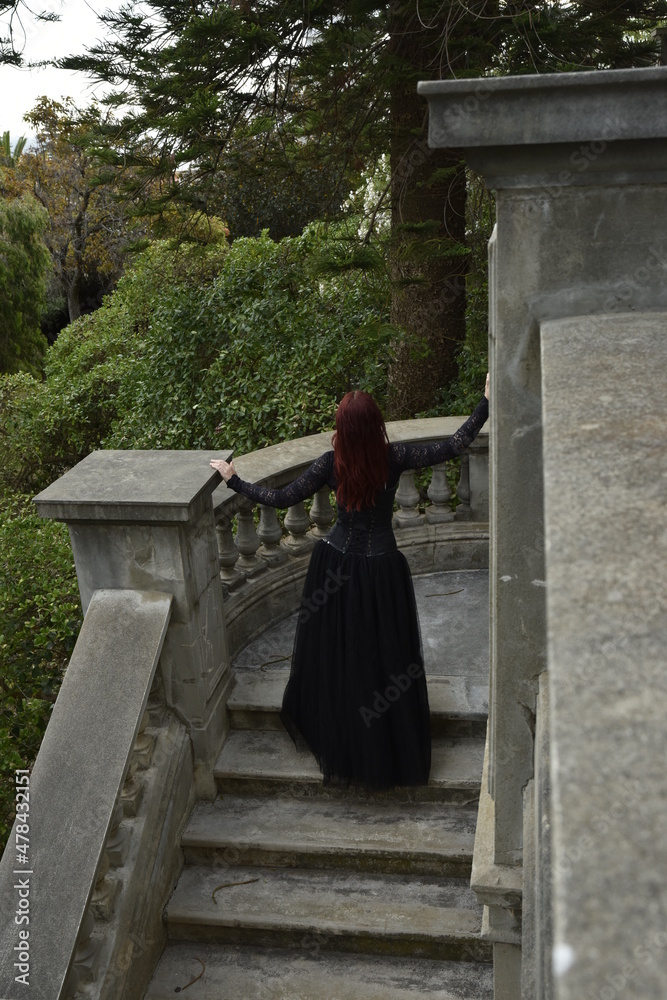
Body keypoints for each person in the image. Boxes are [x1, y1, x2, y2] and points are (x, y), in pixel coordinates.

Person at [210, 375, 490, 792]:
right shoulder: (392, 457)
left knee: (342, 653)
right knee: (383, 656)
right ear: (376, 424)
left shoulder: (330, 463)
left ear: (343, 429)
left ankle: (346, 740)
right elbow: (454, 444)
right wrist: (485, 403)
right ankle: (383, 744)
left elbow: (282, 498)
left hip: (337, 566)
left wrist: (234, 480)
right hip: (381, 568)